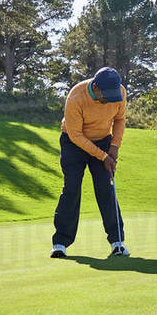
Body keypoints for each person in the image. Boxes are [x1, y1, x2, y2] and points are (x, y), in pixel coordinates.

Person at [51, 66, 129, 258]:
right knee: (72, 188)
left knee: (106, 188)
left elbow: (119, 119)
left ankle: (117, 241)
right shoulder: (76, 96)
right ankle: (61, 242)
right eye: (106, 95)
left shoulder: (120, 92)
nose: (110, 100)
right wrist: (103, 156)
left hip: (103, 140)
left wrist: (114, 147)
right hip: (73, 142)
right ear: (95, 87)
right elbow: (76, 135)